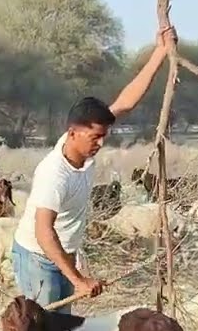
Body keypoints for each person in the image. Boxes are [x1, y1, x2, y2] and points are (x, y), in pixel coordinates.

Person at [10, 26, 178, 309]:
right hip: (38, 258)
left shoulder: (82, 142)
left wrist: (159, 52)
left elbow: (126, 102)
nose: (101, 143)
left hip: (64, 253)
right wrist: (79, 280)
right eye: (95, 137)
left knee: (63, 325)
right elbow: (44, 232)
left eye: (104, 136)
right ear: (73, 133)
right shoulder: (54, 174)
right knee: (46, 326)